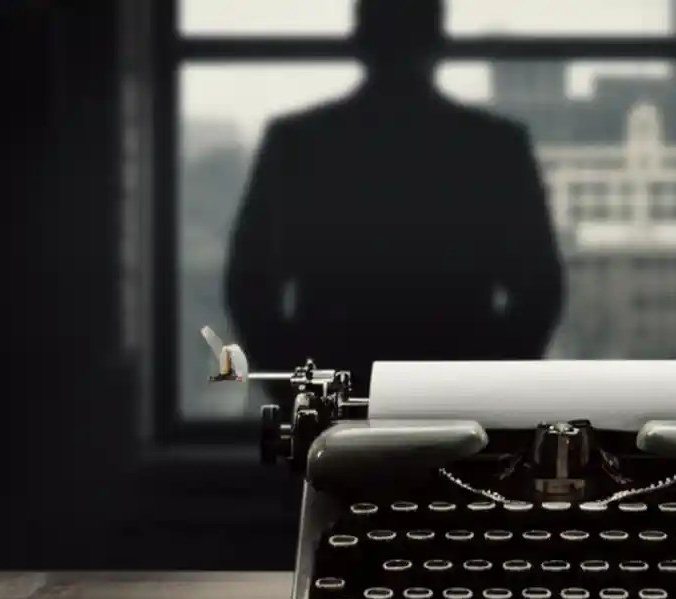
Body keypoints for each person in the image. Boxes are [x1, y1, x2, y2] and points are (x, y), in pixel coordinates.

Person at [224, 0, 565, 397]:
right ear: (439, 43)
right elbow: (540, 291)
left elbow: (249, 290)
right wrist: (489, 387)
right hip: (454, 399)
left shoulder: (297, 145)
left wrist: (297, 393)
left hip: (338, 400)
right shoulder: (495, 148)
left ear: (358, 42)